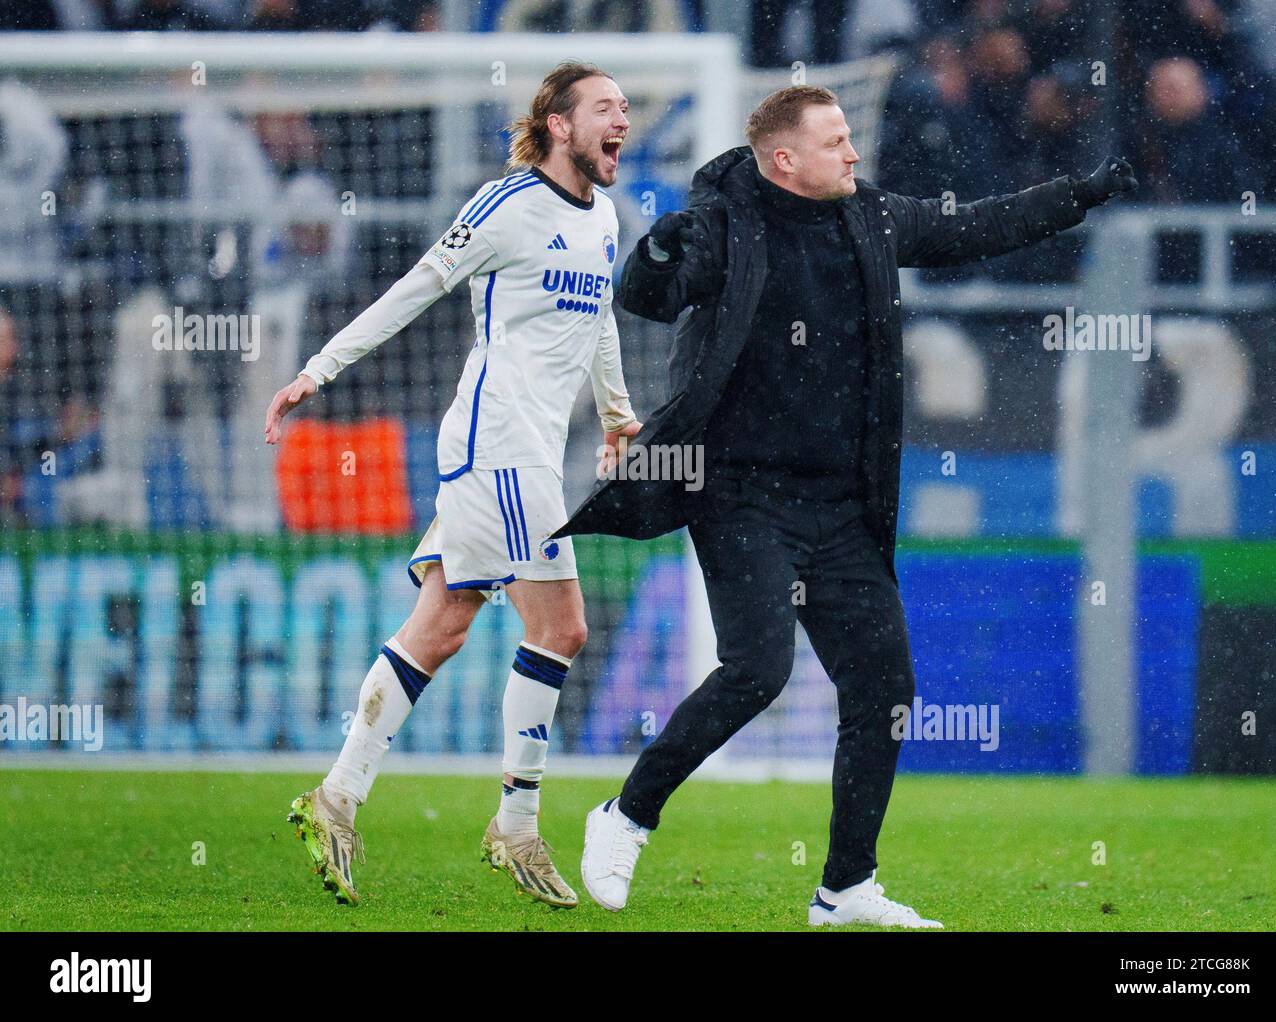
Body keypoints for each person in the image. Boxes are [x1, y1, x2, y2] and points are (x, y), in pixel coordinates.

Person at [557, 85, 1136, 926]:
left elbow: (972, 226)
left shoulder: (870, 215)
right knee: (757, 669)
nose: (854, 154)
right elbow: (648, 297)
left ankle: (844, 888)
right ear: (784, 160)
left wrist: (1076, 194)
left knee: (885, 687)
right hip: (740, 492)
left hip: (838, 503)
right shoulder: (726, 223)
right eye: (836, 142)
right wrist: (652, 255)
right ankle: (625, 816)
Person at [264, 62, 640, 908]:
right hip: (498, 444)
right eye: (606, 109)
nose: (623, 121)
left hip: (530, 451)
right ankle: (516, 824)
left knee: (440, 626)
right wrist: (317, 372)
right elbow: (418, 287)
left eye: (626, 110)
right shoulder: (505, 205)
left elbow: (601, 318)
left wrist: (617, 414)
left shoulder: (605, 217)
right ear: (558, 125)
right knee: (564, 629)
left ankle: (337, 798)